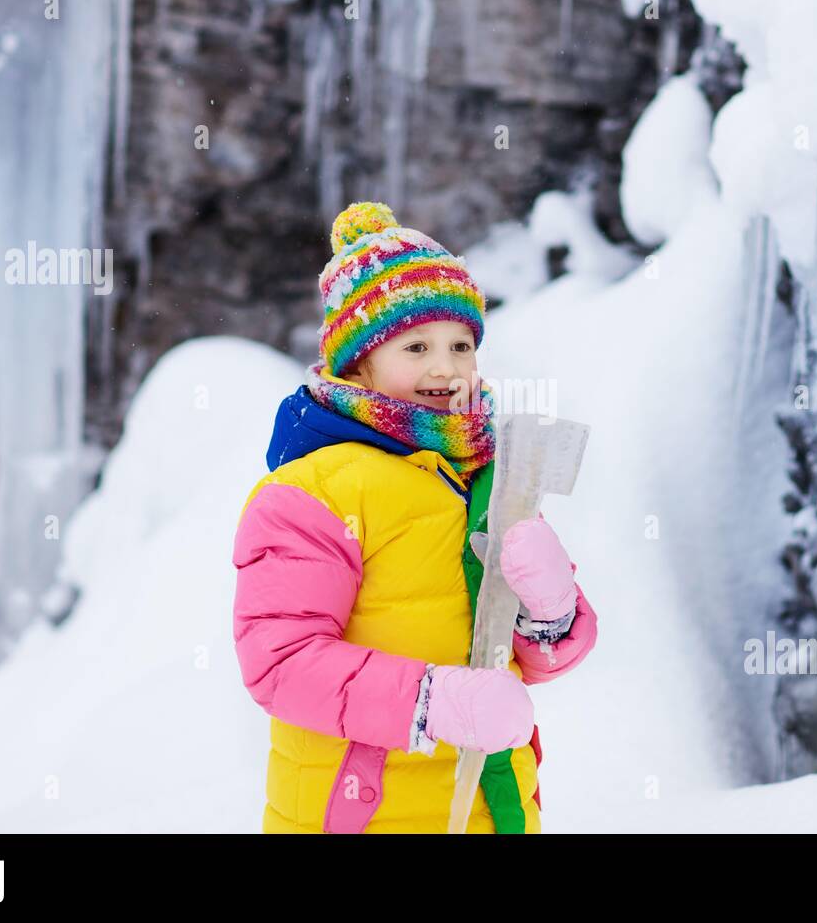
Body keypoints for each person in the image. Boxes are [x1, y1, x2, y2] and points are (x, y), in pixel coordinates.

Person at [232, 201, 598, 833]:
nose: (445, 367)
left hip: (492, 810)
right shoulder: (312, 491)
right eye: (417, 345)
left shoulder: (486, 475)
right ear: (358, 362)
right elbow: (280, 662)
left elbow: (534, 662)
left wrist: (552, 611)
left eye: (461, 344)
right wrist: (433, 702)